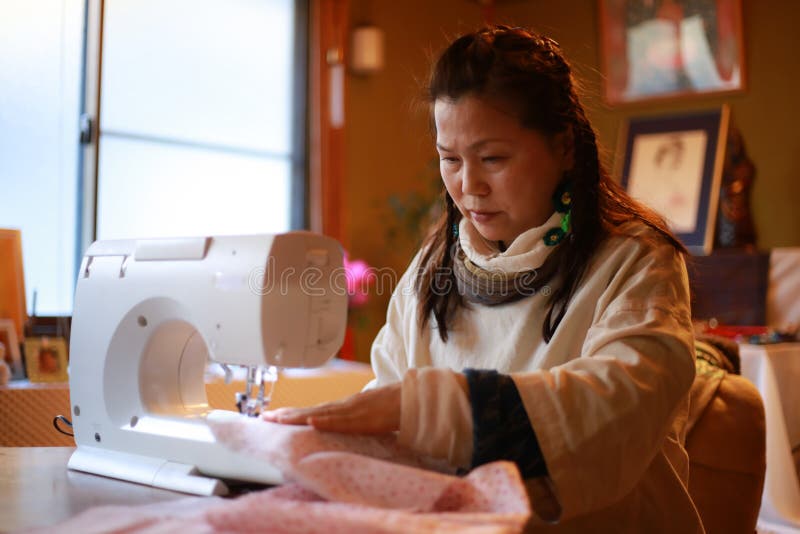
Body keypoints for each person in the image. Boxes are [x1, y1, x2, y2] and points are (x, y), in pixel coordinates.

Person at [264, 25, 701, 531]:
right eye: (450, 160)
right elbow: (390, 406)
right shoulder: (434, 266)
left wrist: (434, 408)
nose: (468, 186)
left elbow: (620, 403)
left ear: (563, 147)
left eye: (493, 158)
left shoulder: (633, 258)